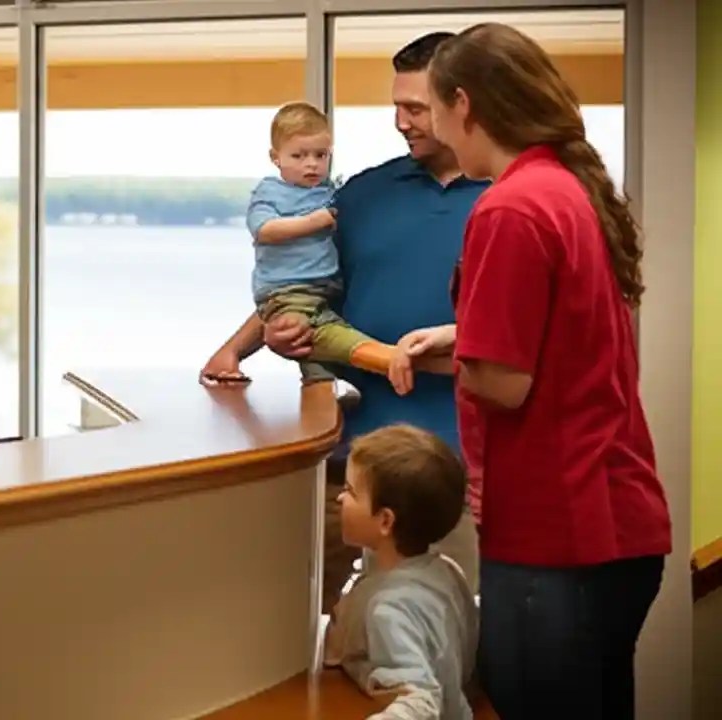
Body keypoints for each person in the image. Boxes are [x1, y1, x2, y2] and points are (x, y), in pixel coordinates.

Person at [389, 23, 672, 720]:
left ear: (465, 104)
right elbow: (562, 344)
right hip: (615, 521)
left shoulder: (511, 207)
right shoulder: (566, 188)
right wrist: (464, 341)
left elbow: (505, 383)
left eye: (430, 108)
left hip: (557, 534)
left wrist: (465, 358)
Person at [201, 32, 488, 611]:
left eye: (416, 108)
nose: (401, 123)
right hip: (349, 463)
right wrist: (247, 345)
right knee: (313, 634)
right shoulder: (360, 193)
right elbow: (306, 286)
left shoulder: (510, 198)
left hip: (461, 471)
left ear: (464, 103)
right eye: (396, 106)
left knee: (452, 640)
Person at [224, 101, 392, 385]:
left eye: (320, 155)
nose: (311, 164)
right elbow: (264, 229)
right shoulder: (272, 192)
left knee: (317, 370)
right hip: (289, 290)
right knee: (307, 331)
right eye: (298, 156)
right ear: (275, 158)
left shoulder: (326, 191)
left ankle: (321, 397)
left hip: (324, 289)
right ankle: (383, 358)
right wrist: (315, 221)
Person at [323, 424, 477, 720]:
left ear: (385, 521)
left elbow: (421, 701)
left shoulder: (390, 610)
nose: (341, 499)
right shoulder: (447, 572)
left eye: (350, 492)